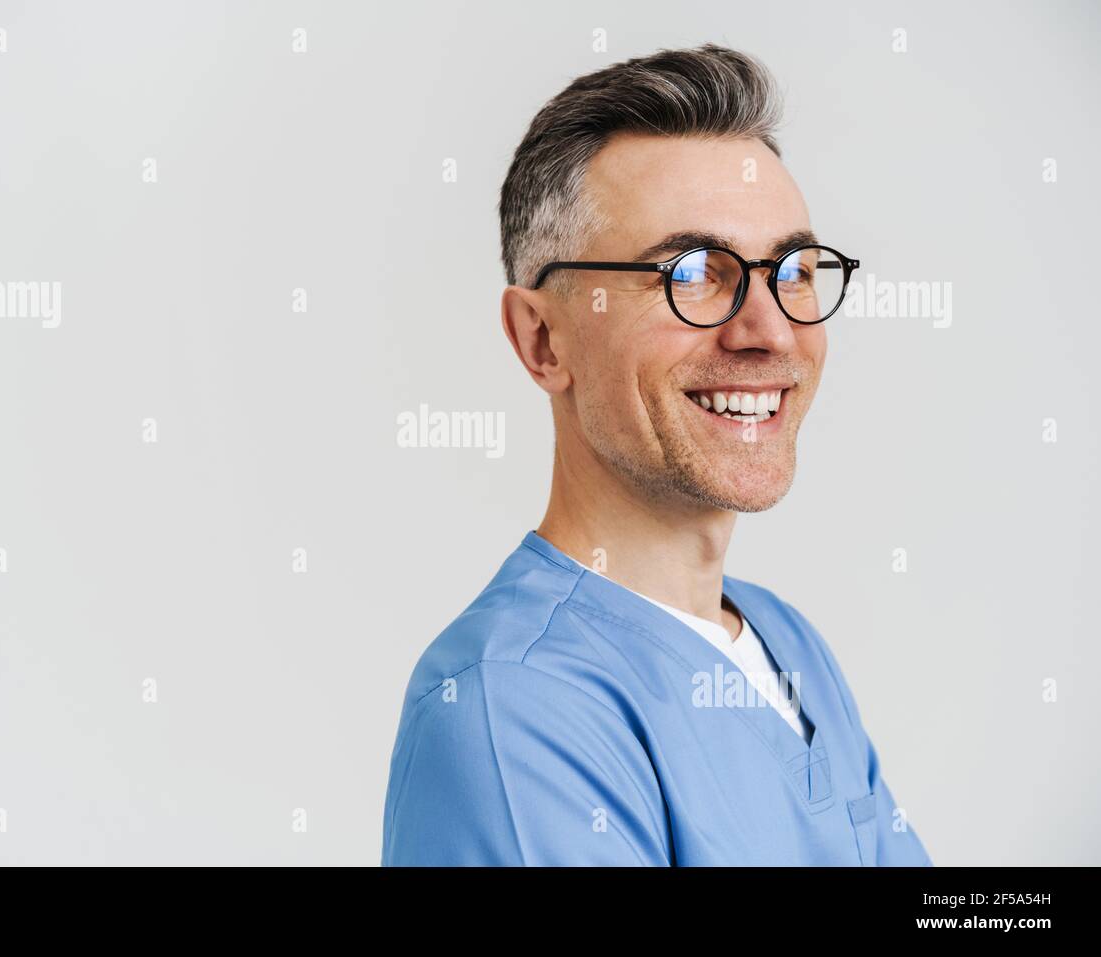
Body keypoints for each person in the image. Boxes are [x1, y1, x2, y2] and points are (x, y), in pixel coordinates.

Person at [381, 44, 932, 866]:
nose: (770, 330)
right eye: (690, 272)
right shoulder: (512, 707)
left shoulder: (786, 644)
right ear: (542, 339)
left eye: (792, 270)